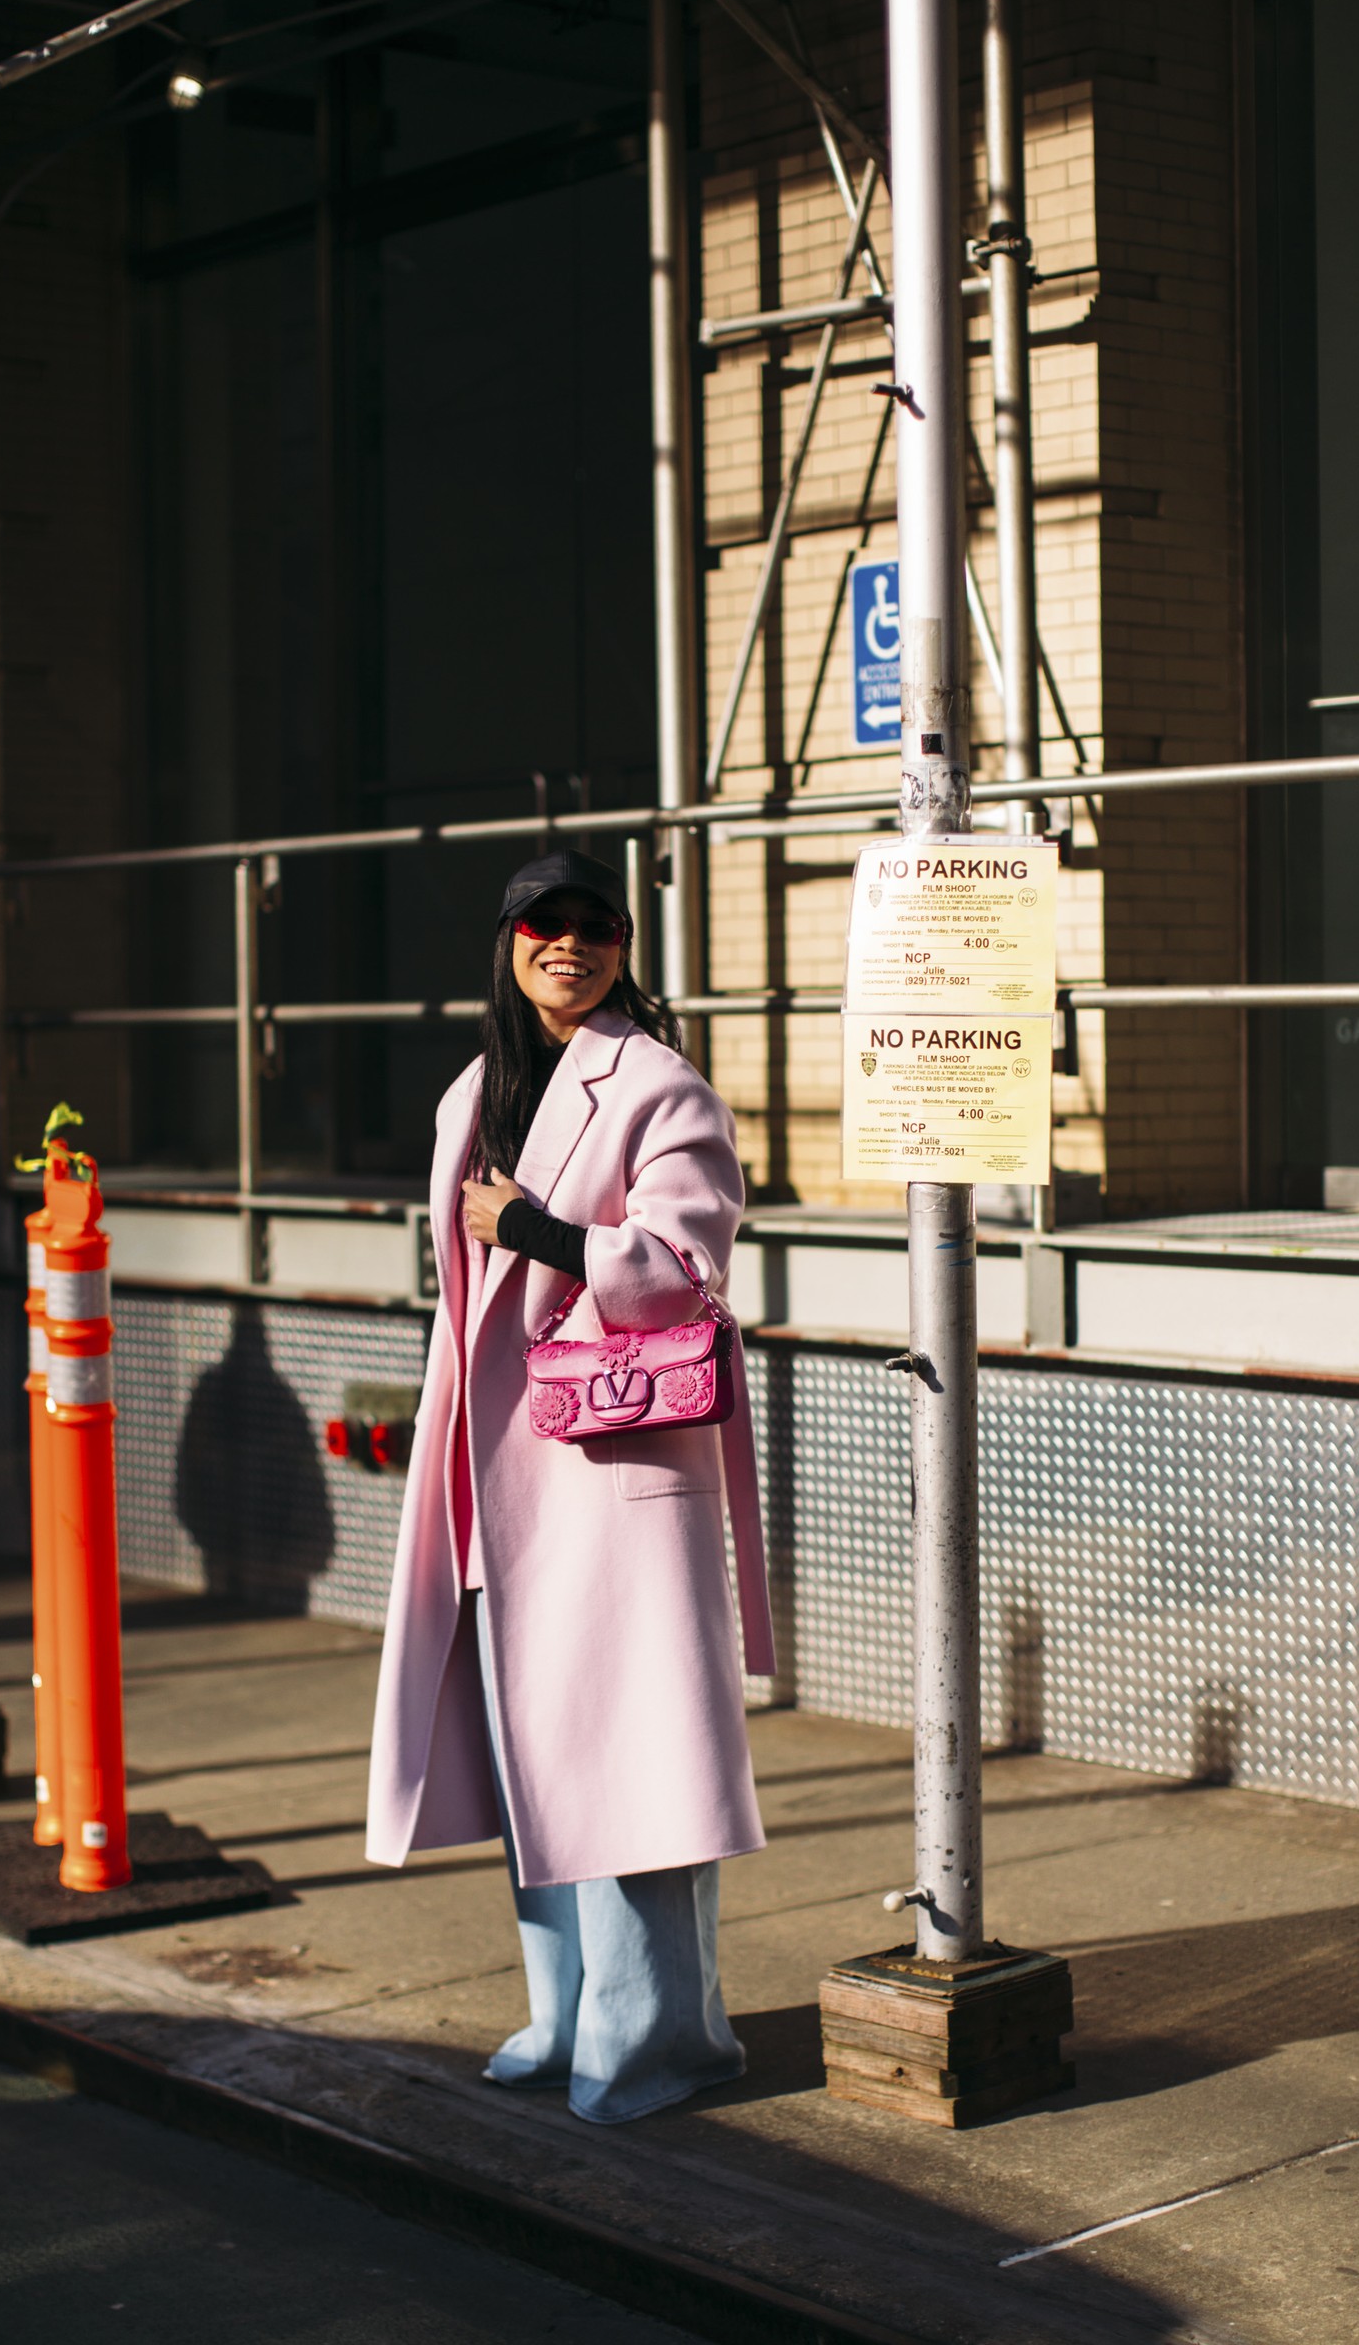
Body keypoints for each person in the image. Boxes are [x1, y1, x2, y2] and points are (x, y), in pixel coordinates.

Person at [366, 848, 775, 2124]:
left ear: (621, 943)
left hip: (612, 1468)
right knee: (523, 1752)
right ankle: (562, 2016)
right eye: (545, 922)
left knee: (637, 1760)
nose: (571, 942)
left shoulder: (657, 1081)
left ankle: (658, 2042)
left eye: (596, 924)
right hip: (493, 1479)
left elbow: (684, 1257)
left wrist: (539, 1232)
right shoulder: (474, 1092)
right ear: (507, 940)